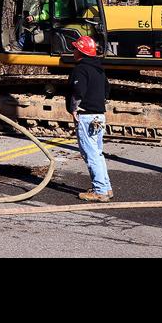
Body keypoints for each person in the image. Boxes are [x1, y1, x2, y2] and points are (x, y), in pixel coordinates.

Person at [67, 34, 111, 201]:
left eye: (75, 49)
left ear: (81, 52)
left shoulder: (80, 69)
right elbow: (107, 91)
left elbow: (78, 91)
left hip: (86, 116)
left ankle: (100, 191)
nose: (73, 52)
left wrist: (74, 109)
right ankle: (106, 187)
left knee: (90, 154)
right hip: (99, 115)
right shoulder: (99, 69)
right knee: (97, 153)